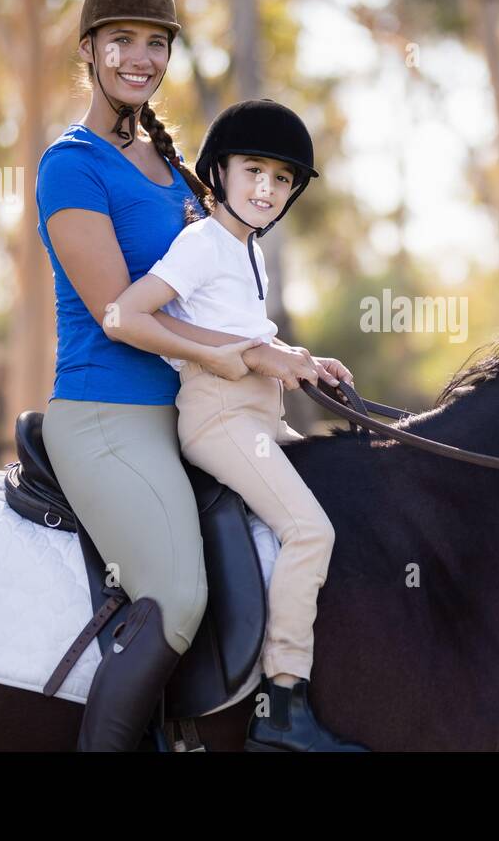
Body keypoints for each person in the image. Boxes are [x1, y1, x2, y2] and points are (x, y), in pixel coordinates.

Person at [36, 0, 280, 751]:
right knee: (177, 597)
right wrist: (236, 354)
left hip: (192, 413)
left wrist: (281, 354)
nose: (139, 57)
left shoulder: (178, 171)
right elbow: (119, 317)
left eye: (155, 43)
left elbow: (217, 293)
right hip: (109, 417)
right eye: (121, 41)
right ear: (89, 49)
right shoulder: (71, 165)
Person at [107, 98, 370, 751]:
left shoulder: (245, 252)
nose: (267, 189)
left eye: (282, 180)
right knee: (309, 529)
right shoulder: (202, 244)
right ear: (220, 171)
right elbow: (126, 315)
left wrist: (304, 360)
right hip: (220, 417)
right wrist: (244, 356)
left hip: (259, 414)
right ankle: (281, 704)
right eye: (254, 170)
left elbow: (249, 332)